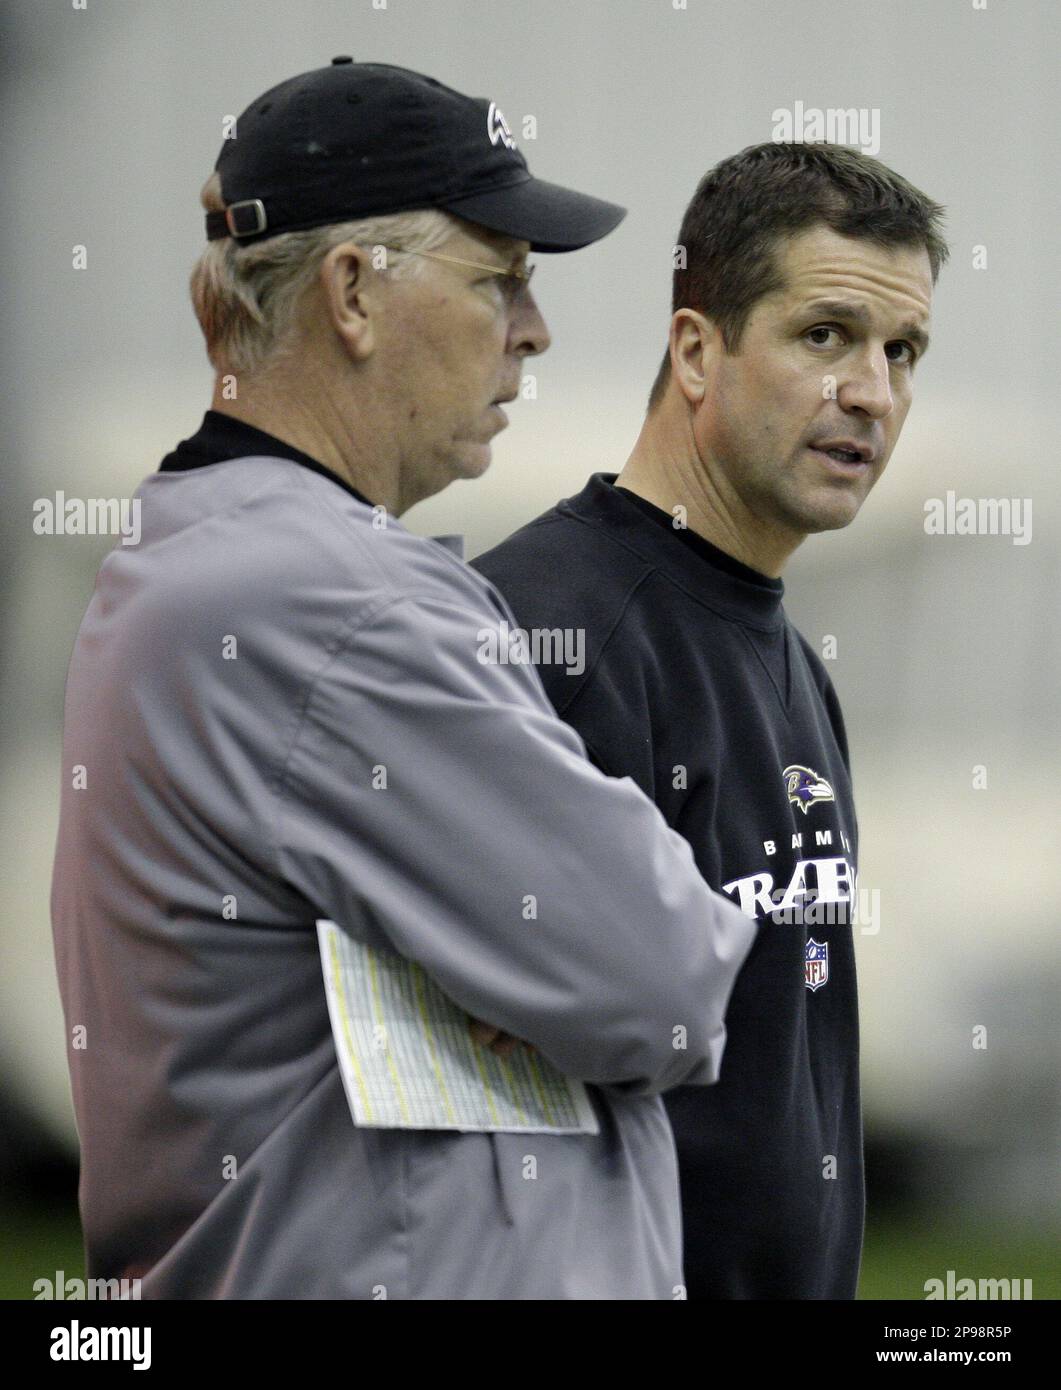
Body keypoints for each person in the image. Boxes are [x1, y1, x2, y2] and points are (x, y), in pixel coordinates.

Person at [49, 58, 756, 1300]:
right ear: (353, 294)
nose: (533, 328)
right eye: (498, 279)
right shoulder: (333, 598)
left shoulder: (203, 560)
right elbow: (660, 975)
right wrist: (547, 971)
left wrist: (519, 965)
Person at [475, 141, 948, 1298]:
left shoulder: (787, 652)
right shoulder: (539, 638)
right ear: (696, 349)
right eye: (823, 335)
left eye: (901, 351)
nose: (871, 394)